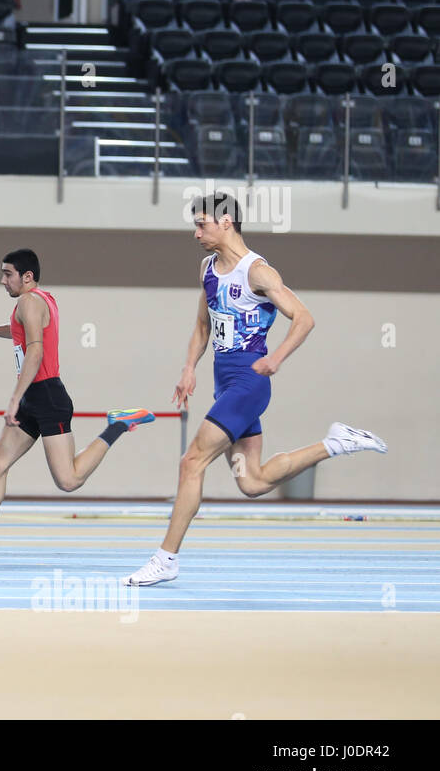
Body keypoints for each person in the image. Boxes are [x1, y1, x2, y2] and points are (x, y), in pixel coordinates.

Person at [122, 194, 387, 586]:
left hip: (249, 383)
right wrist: (189, 368)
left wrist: (276, 358)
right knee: (253, 481)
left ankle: (166, 558)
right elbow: (202, 326)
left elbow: (304, 317)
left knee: (191, 462)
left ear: (226, 221)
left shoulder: (257, 272)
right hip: (224, 383)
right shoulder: (207, 268)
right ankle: (335, 443)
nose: (196, 233)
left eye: (202, 224)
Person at [0, 249, 155, 560]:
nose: (2, 280)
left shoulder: (28, 301)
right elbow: (22, 332)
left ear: (27, 277)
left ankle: (117, 425)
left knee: (69, 480)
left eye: (7, 274)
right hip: (34, 397)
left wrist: (14, 399)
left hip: (48, 398)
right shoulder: (38, 300)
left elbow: (35, 353)